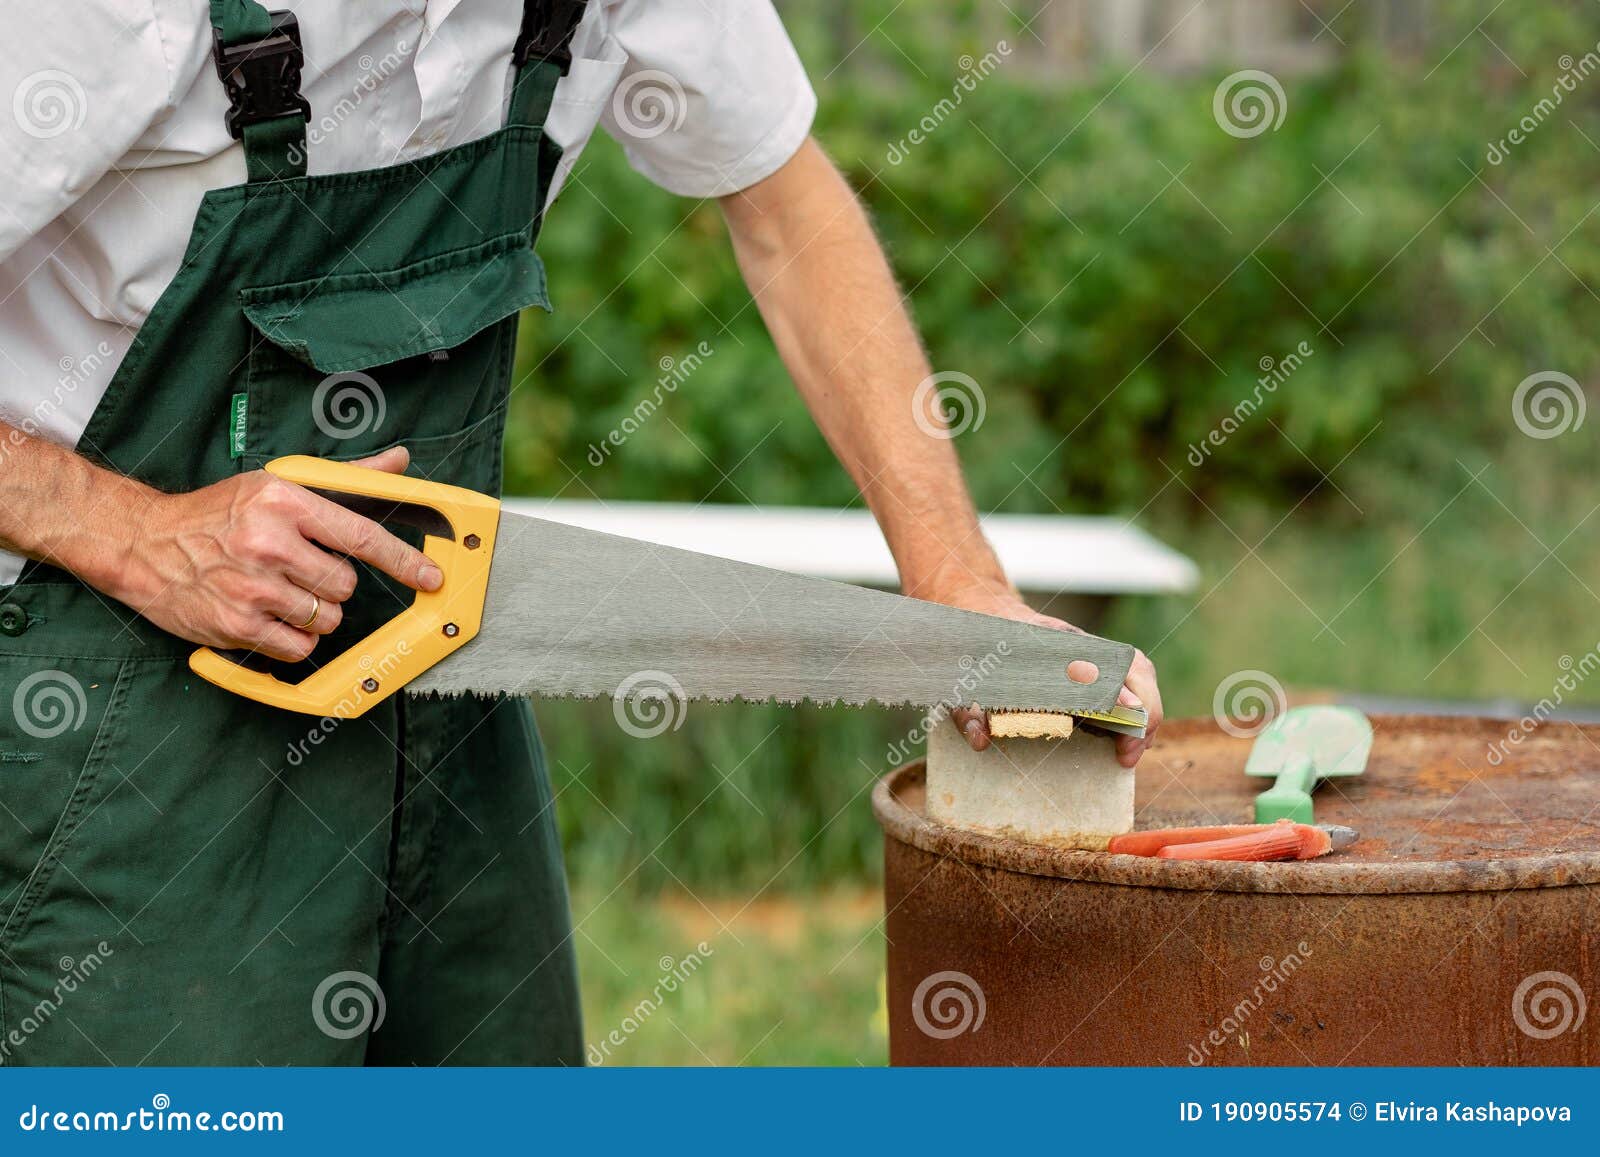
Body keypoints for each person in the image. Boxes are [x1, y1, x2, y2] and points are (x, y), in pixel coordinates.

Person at [0, 0, 1160, 1064]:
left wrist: (955, 581)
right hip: (114, 709)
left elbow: (786, 209)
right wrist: (133, 530)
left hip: (437, 676)